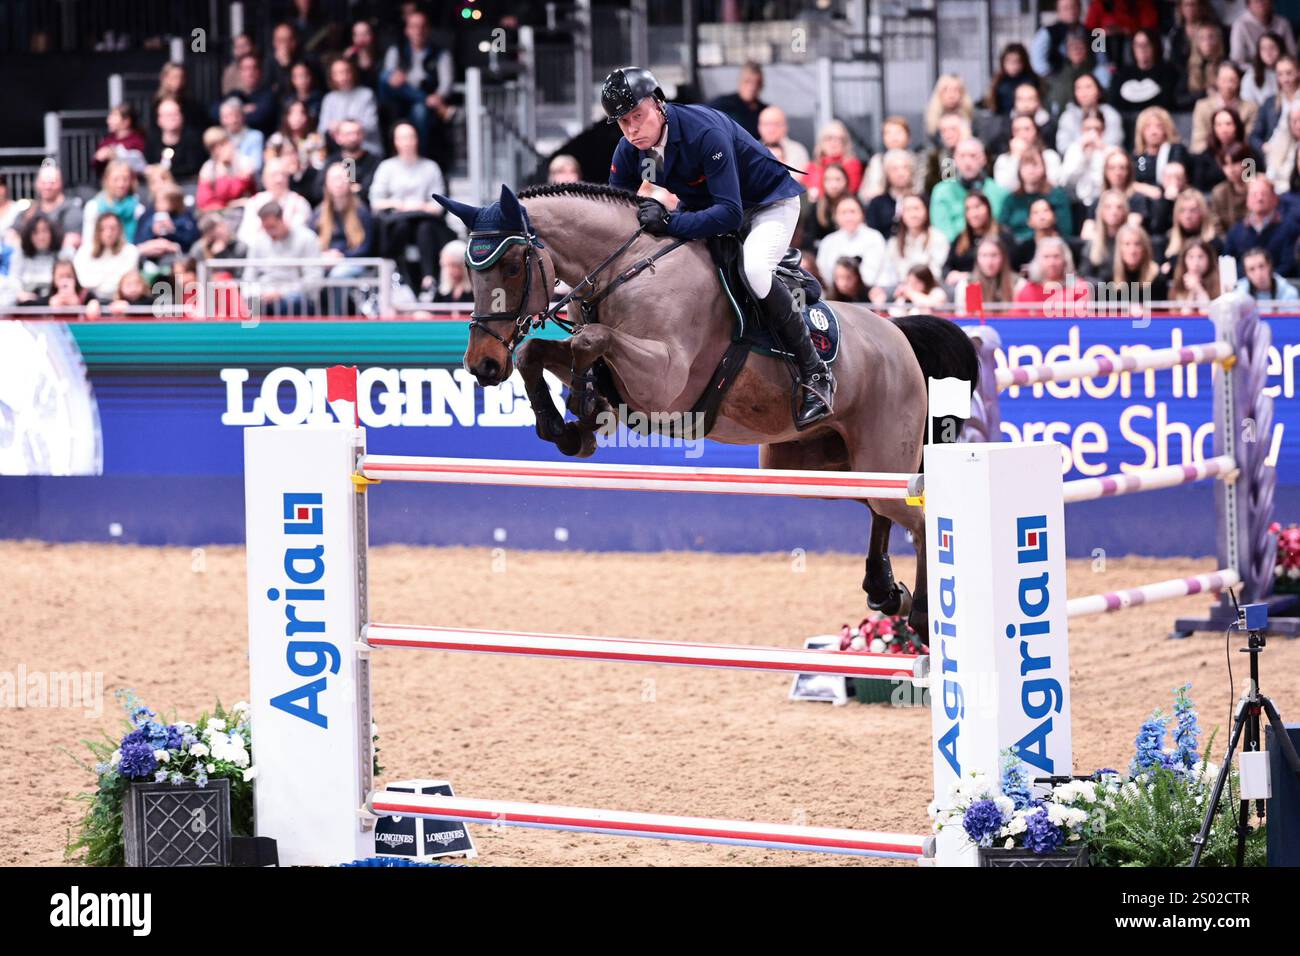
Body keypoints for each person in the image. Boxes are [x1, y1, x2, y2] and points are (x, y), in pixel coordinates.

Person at [603, 67, 831, 428]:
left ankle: (815, 374)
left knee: (754, 270)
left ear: (658, 104)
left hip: (766, 205)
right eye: (623, 122)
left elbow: (729, 213)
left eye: (637, 116)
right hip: (709, 207)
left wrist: (668, 222)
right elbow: (615, 211)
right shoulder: (631, 149)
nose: (632, 129)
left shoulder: (703, 132)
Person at [370, 122, 452, 292]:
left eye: (410, 137)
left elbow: (439, 204)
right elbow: (375, 201)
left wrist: (421, 205)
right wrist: (398, 204)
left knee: (425, 228)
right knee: (401, 227)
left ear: (417, 140)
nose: (407, 142)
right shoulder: (386, 167)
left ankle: (429, 278)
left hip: (425, 221)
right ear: (395, 141)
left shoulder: (430, 167)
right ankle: (397, 275)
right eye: (402, 138)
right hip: (397, 223)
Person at [380, 7, 454, 168]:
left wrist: (437, 96)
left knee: (420, 109)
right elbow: (388, 79)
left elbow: (446, 84)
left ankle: (418, 158)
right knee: (385, 77)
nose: (418, 31)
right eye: (413, 26)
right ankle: (425, 99)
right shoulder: (396, 51)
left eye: (422, 26)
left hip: (424, 101)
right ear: (407, 30)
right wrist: (395, 77)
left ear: (428, 29)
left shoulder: (441, 54)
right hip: (397, 98)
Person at [312, 162, 375, 315]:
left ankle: (336, 318)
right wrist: (323, 256)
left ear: (349, 182)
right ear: (327, 183)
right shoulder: (318, 214)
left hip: (354, 261)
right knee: (311, 275)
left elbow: (366, 247)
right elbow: (310, 242)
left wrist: (341, 257)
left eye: (342, 178)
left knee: (339, 275)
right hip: (324, 261)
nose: (338, 183)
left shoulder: (362, 212)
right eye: (334, 179)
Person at [245, 201, 322, 315]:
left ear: (282, 220)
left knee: (292, 301)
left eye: (272, 227)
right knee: (250, 304)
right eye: (266, 228)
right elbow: (249, 276)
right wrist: (259, 292)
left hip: (296, 295)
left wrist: (281, 293)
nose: (269, 232)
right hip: (265, 293)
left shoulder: (307, 238)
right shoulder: (259, 241)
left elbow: (313, 277)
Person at [814, 195, 894, 303]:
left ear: (862, 214)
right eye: (843, 212)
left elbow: (871, 276)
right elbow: (823, 273)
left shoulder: (874, 237)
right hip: (835, 297)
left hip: (868, 297)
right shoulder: (828, 241)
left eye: (852, 211)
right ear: (836, 216)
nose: (848, 217)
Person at [929, 137, 1007, 241]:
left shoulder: (999, 191)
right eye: (962, 156)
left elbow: (1001, 226)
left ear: (984, 159)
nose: (967, 162)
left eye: (973, 156)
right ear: (954, 160)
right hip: (954, 247)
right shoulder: (941, 191)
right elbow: (942, 230)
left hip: (990, 245)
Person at [1222, 176, 1300, 273]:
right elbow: (1228, 265)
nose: (1259, 198)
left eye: (1264, 194)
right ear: (1247, 200)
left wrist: (1267, 279)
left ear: (1275, 199)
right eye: (1254, 194)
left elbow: (1289, 265)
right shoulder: (1235, 231)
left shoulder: (1290, 229)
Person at [998, 146, 1073, 244]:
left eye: (1035, 164)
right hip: (1017, 247)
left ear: (1044, 167)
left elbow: (1065, 230)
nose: (1030, 170)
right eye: (1026, 165)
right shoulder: (1010, 199)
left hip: (1049, 245)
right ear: (1019, 169)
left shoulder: (1056, 195)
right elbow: (1002, 229)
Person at [942, 191, 1014, 286]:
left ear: (988, 208)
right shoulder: (960, 239)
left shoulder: (1003, 237)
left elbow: (1012, 267)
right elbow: (946, 268)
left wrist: (970, 276)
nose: (973, 214)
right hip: (965, 288)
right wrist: (951, 274)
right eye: (968, 209)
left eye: (977, 207)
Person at [238, 156, 312, 246]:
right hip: (260, 251)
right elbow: (245, 236)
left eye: (283, 174)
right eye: (274, 175)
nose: (279, 179)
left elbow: (300, 235)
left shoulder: (299, 203)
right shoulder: (254, 203)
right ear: (264, 179)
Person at [135, 182, 198, 283]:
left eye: (161, 200)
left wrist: (173, 231)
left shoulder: (185, 217)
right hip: (151, 258)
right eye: (156, 200)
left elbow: (191, 239)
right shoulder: (148, 216)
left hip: (178, 258)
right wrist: (152, 232)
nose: (157, 204)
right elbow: (138, 240)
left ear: (173, 201)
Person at [1192, 62, 1260, 152]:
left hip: (1239, 155)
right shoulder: (1202, 107)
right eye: (1224, 80)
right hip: (1209, 155)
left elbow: (1249, 140)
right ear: (1217, 81)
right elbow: (1198, 141)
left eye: (1232, 80)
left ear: (1239, 81)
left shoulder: (1250, 108)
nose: (1228, 85)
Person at [319, 57, 381, 154]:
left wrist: (344, 127)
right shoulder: (329, 99)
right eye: (338, 73)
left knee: (351, 161)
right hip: (339, 151)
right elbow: (322, 129)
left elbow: (371, 126)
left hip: (366, 149)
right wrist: (331, 128)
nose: (342, 76)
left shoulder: (366, 94)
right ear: (332, 76)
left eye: (346, 71)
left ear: (352, 72)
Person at [74, 212, 139, 301]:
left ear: (120, 230)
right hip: (90, 299)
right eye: (103, 229)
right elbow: (84, 281)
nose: (108, 233)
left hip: (121, 300)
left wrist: (98, 277)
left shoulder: (131, 251)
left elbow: (124, 283)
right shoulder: (84, 251)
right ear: (97, 231)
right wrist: (107, 276)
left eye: (113, 228)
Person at [20, 163, 82, 253]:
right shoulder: (31, 209)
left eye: (52, 183)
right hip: (31, 257)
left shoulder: (71, 209)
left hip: (60, 256)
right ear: (37, 184)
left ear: (60, 183)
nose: (47, 187)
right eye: (43, 183)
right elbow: (13, 233)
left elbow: (73, 239)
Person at [1111, 28, 1176, 113]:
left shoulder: (1168, 73)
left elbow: (1168, 103)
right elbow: (1114, 103)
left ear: (1155, 46)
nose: (1142, 49)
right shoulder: (1121, 75)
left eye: (1146, 44)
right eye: (1138, 45)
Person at [1055, 73, 1124, 153]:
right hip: (1078, 157)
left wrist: (1098, 144)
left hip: (1105, 155)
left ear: (1099, 91)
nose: (1084, 92)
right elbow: (1062, 146)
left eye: (1088, 87)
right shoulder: (1067, 116)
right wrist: (1083, 143)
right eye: (1078, 88)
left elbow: (1116, 142)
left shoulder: (1110, 114)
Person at [1015, 236, 1089, 308]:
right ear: (1038, 261)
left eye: (1056, 256)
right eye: (1046, 257)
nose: (1051, 263)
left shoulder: (1078, 287)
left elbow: (1085, 314)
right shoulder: (1027, 290)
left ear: (1065, 260)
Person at [993, 114, 1062, 191]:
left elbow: (1054, 183)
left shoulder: (1049, 156)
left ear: (1036, 131)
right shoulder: (1003, 159)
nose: (1022, 135)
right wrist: (1016, 157)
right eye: (1017, 130)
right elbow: (1004, 187)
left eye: (1027, 129)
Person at [216, 53, 279, 136]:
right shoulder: (235, 94)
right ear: (240, 72)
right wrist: (241, 110)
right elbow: (214, 111)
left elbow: (260, 117)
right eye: (246, 68)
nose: (250, 73)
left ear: (261, 71)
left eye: (254, 68)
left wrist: (231, 114)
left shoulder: (269, 95)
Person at [887, 193, 948, 278]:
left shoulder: (938, 237)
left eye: (917, 208)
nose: (913, 214)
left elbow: (936, 271)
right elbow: (891, 273)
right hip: (901, 284)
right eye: (908, 210)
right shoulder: (894, 242)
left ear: (926, 211)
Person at [83, 160, 142, 246]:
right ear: (106, 180)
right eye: (116, 179)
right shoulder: (94, 207)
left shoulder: (138, 209)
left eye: (125, 179)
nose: (121, 184)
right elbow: (88, 242)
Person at [196, 127, 256, 212]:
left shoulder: (244, 162)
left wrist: (223, 176)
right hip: (219, 212)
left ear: (230, 143)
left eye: (222, 144)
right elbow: (204, 201)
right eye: (213, 147)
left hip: (245, 210)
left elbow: (235, 192)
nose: (218, 150)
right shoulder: (208, 168)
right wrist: (222, 170)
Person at [145, 96, 206, 180]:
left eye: (175, 114)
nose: (172, 118)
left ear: (182, 116)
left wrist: (163, 172)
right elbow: (147, 165)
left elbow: (193, 168)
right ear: (159, 119)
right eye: (167, 115)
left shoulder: (193, 138)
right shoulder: (152, 139)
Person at [1059, 110, 1110, 208]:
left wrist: (1102, 150)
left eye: (1097, 129)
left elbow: (1105, 182)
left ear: (1103, 130)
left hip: (1102, 203)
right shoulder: (1074, 149)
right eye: (1088, 128)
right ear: (1082, 129)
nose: (1092, 133)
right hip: (1076, 203)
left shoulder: (1109, 151)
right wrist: (1081, 153)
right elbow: (1065, 180)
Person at [1078, 188, 1131, 281]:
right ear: (1101, 211)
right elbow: (1083, 277)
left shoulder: (1133, 241)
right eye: (1108, 207)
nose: (1114, 212)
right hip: (1100, 289)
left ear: (1125, 212)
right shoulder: (1093, 244)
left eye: (1119, 207)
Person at [322, 119, 380, 201]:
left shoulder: (374, 161)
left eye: (358, 133)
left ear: (363, 135)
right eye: (348, 134)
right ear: (338, 137)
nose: (353, 138)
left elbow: (370, 191)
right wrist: (351, 188)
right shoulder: (331, 161)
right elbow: (318, 190)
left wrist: (339, 188)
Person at [954, 235, 1019, 309]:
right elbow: (968, 315)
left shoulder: (1018, 284)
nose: (989, 262)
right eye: (984, 255)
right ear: (977, 258)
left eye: (994, 255)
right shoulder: (967, 284)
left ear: (1003, 257)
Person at [804, 121, 864, 200]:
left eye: (839, 139)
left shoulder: (852, 164)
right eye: (829, 138)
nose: (834, 142)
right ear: (821, 142)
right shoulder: (812, 167)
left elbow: (849, 191)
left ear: (845, 143)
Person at [1251, 53, 1300, 149]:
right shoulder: (1270, 103)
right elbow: (1254, 136)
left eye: (1289, 73)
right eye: (1280, 74)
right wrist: (1263, 147)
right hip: (1274, 150)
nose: (1285, 79)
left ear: (1298, 72)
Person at [709, 62, 767, 141]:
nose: (752, 87)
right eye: (747, 81)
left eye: (757, 83)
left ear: (761, 85)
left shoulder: (765, 112)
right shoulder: (723, 104)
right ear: (740, 82)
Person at [865, 149, 917, 237]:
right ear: (887, 174)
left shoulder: (920, 201)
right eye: (894, 169)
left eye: (905, 168)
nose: (900, 173)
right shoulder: (876, 203)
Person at [1230, 0, 1297, 67]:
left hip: (1282, 69)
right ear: (1248, 5)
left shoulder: (1283, 23)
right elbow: (1237, 61)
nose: (1261, 3)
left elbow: (1292, 55)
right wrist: (1257, 70)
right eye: (1256, 1)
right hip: (1252, 69)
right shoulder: (1240, 25)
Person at [11, 213, 61, 302]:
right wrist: (19, 293)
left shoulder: (62, 253)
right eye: (35, 232)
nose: (41, 237)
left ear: (52, 232)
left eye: (44, 231)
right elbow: (14, 278)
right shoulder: (21, 253)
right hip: (26, 302)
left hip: (56, 302)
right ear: (29, 235)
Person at [1112, 223, 1167, 300]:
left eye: (1137, 244)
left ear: (1144, 248)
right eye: (1127, 244)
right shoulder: (1110, 277)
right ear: (1119, 249)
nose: (1132, 251)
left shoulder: (1157, 278)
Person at [801, 163, 850, 246]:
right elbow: (809, 237)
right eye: (828, 180)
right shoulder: (817, 207)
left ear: (846, 181)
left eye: (838, 179)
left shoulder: (853, 205)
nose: (834, 185)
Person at [92, 103, 146, 177]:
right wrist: (99, 158)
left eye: (114, 117)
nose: (109, 121)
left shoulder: (138, 141)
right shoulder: (108, 140)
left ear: (126, 121)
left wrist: (115, 155)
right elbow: (96, 165)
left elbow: (140, 166)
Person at [757, 106, 810, 181]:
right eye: (766, 124)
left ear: (785, 126)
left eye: (776, 124)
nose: (771, 129)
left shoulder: (797, 151)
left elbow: (795, 181)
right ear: (759, 127)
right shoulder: (752, 150)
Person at [1211, 141, 1257, 227]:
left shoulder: (1259, 186)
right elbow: (1217, 226)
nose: (1231, 170)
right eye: (1225, 165)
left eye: (1235, 163)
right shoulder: (1219, 192)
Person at [1011, 197, 1064, 271]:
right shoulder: (1022, 250)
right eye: (1036, 212)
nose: (1042, 216)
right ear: (1029, 221)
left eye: (1046, 210)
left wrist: (1068, 279)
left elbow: (1071, 272)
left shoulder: (1067, 246)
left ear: (1054, 217)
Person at [984, 43, 1039, 115]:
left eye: (1016, 61)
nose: (1012, 65)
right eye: (1008, 61)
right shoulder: (998, 80)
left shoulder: (1030, 81)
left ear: (1024, 62)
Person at [1169, 238, 1223, 309]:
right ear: (1184, 260)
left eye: (1200, 257)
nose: (1196, 262)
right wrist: (1192, 292)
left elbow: (1208, 313)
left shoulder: (1220, 284)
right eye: (1191, 257)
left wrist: (1198, 289)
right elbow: (1184, 315)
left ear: (1209, 259)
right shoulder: (1177, 286)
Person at [218, 97, 265, 174]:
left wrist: (232, 157)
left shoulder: (255, 136)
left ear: (243, 117)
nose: (233, 120)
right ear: (221, 119)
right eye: (228, 116)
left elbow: (256, 166)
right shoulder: (219, 139)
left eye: (237, 115)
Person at [924, 75, 975, 143]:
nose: (951, 95)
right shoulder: (930, 121)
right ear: (939, 94)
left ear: (962, 94)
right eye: (945, 90)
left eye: (956, 90)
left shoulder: (974, 118)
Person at [1243, 31, 1285, 104]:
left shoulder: (1290, 71)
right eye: (1263, 48)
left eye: (1272, 47)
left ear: (1280, 49)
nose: (1268, 52)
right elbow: (1247, 103)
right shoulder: (1251, 75)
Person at [343, 19, 382, 90]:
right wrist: (345, 60)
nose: (361, 38)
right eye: (358, 35)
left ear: (372, 35)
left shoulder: (381, 54)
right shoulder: (350, 56)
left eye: (365, 34)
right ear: (353, 38)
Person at [432, 239, 473, 304]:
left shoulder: (475, 292)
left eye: (453, 265)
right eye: (446, 266)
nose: (449, 271)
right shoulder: (440, 293)